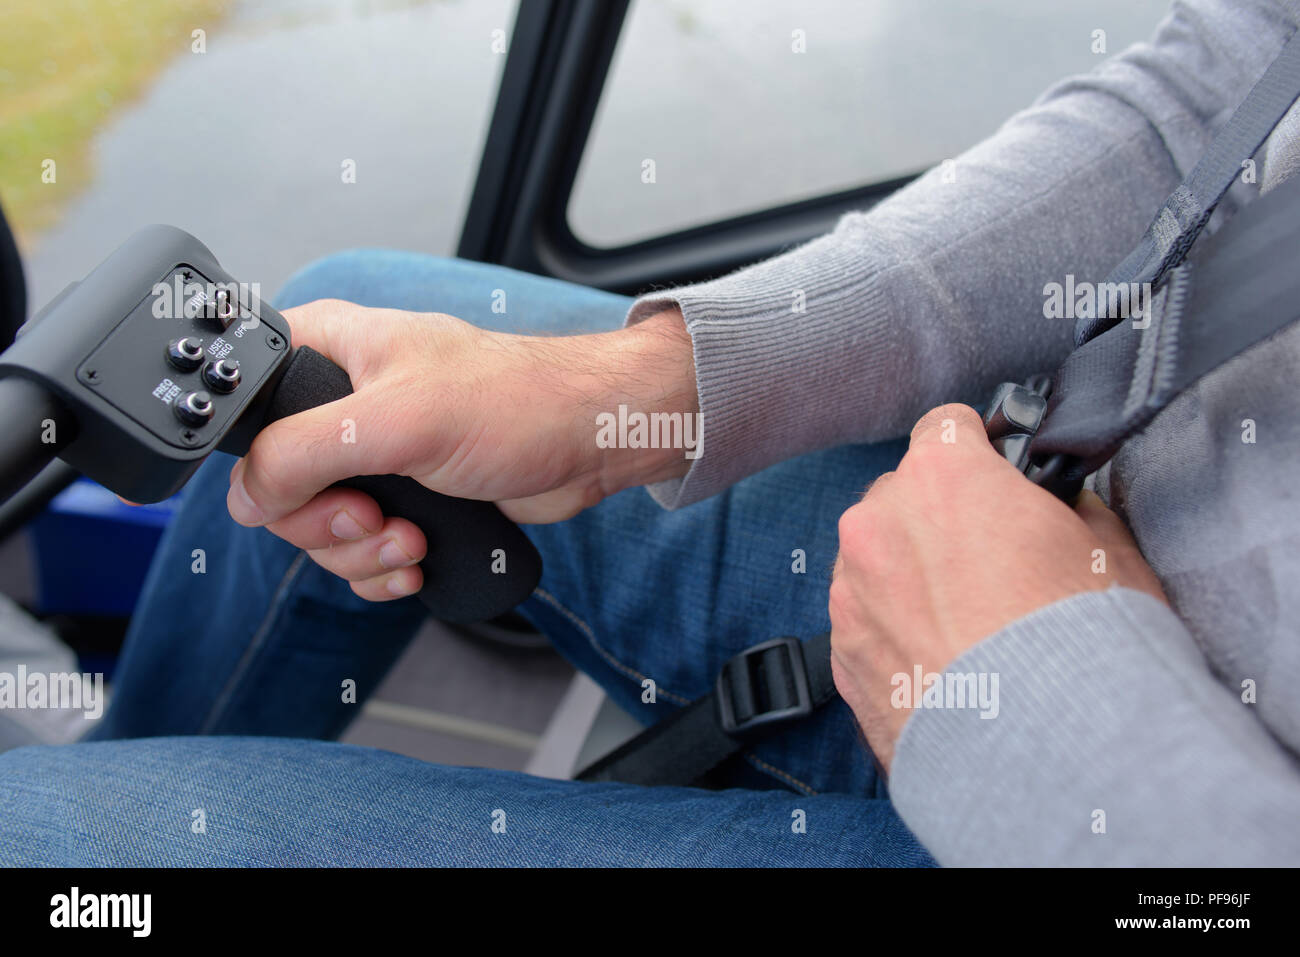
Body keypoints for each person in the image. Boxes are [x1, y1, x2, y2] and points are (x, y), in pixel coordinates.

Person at [3, 0, 1299, 866]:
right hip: (1070, 533)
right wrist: (641, 386)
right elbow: (1210, 98)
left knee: (32, 835)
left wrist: (1041, 701)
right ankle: (151, 763)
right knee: (343, 352)